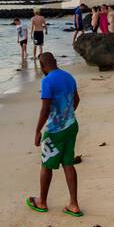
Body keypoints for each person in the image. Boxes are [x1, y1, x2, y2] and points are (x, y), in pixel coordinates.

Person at [27, 52, 81, 216]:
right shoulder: (69, 77)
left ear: (42, 66)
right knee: (68, 163)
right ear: (55, 62)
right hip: (71, 125)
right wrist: (67, 115)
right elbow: (76, 100)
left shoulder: (47, 81)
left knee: (46, 165)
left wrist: (37, 131)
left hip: (54, 131)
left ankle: (42, 201)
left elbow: (45, 109)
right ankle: (74, 204)